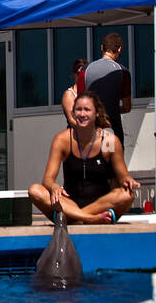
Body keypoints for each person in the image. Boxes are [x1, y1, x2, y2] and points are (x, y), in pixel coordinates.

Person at [28, 91, 140, 224]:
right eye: (78, 110)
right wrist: (53, 187)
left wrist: (128, 180)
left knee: (127, 195)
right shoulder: (63, 140)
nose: (82, 114)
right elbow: (47, 179)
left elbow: (123, 177)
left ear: (97, 113)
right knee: (34, 191)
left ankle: (77, 217)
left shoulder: (108, 142)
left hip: (97, 207)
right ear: (73, 113)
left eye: (87, 110)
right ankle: (89, 219)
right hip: (70, 204)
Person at [82, 32, 132, 148]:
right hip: (112, 126)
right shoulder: (122, 72)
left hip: (90, 127)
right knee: (113, 162)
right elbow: (127, 107)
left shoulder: (86, 70)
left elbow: (80, 100)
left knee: (91, 162)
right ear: (119, 49)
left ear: (102, 47)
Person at [60, 58, 88, 126]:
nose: (81, 76)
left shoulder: (91, 92)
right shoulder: (69, 94)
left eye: (83, 73)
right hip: (75, 134)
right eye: (78, 73)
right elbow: (72, 120)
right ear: (73, 74)